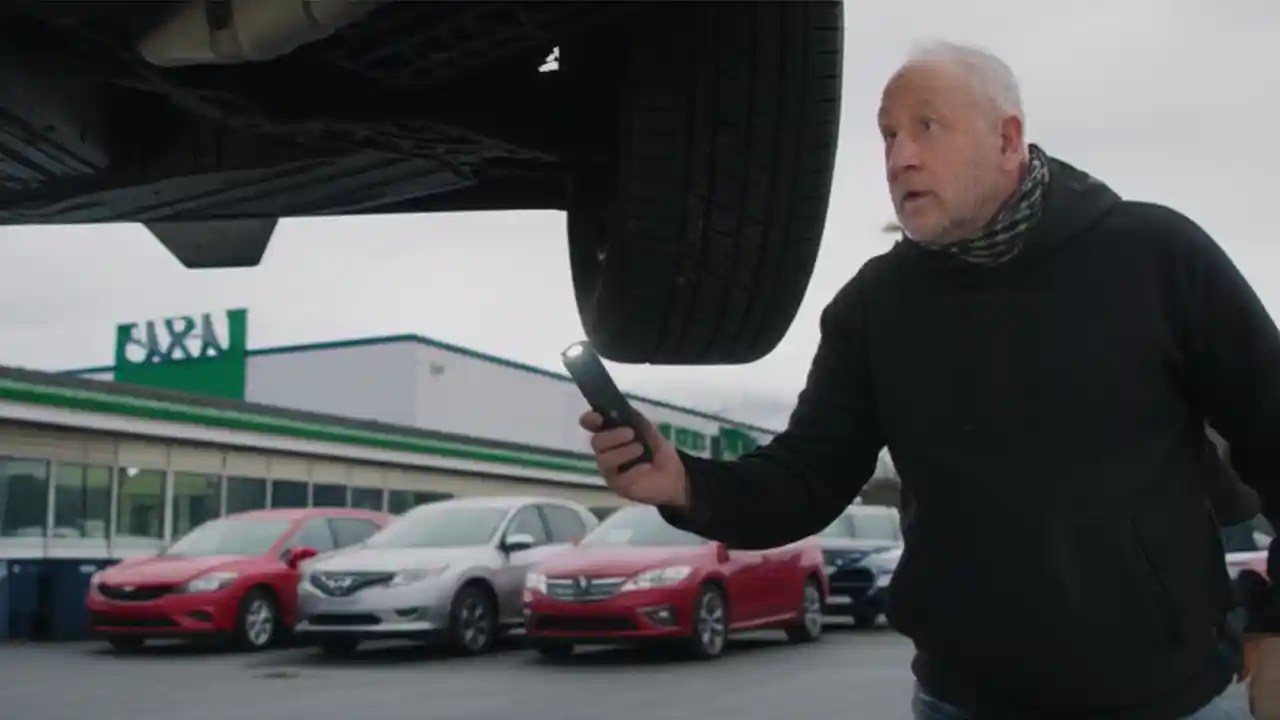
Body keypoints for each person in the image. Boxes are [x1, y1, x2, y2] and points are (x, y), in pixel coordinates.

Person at [579, 40, 1280, 719]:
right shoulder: (875, 307)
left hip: (1170, 696)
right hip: (962, 700)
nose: (899, 157)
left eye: (927, 128)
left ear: (1007, 139)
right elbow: (808, 476)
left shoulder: (1155, 258)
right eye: (888, 135)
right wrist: (685, 484)